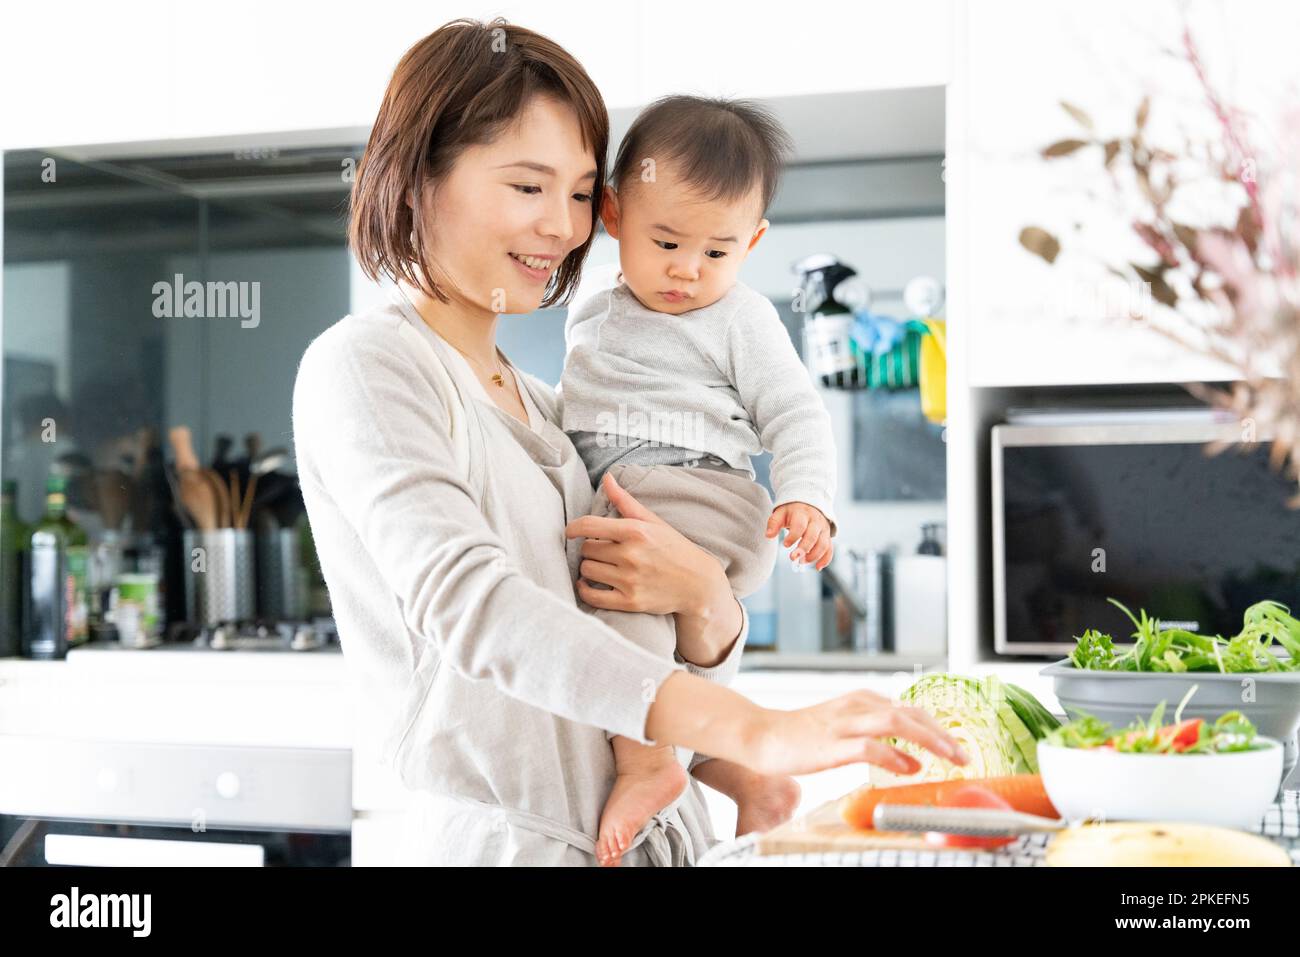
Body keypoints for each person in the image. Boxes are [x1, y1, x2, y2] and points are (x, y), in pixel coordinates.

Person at [292, 17, 967, 866]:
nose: (565, 227)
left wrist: (709, 604)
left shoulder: (555, 412)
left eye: (579, 193)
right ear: (419, 176)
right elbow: (476, 608)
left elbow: (635, 663)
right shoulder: (367, 364)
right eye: (528, 186)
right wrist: (758, 732)